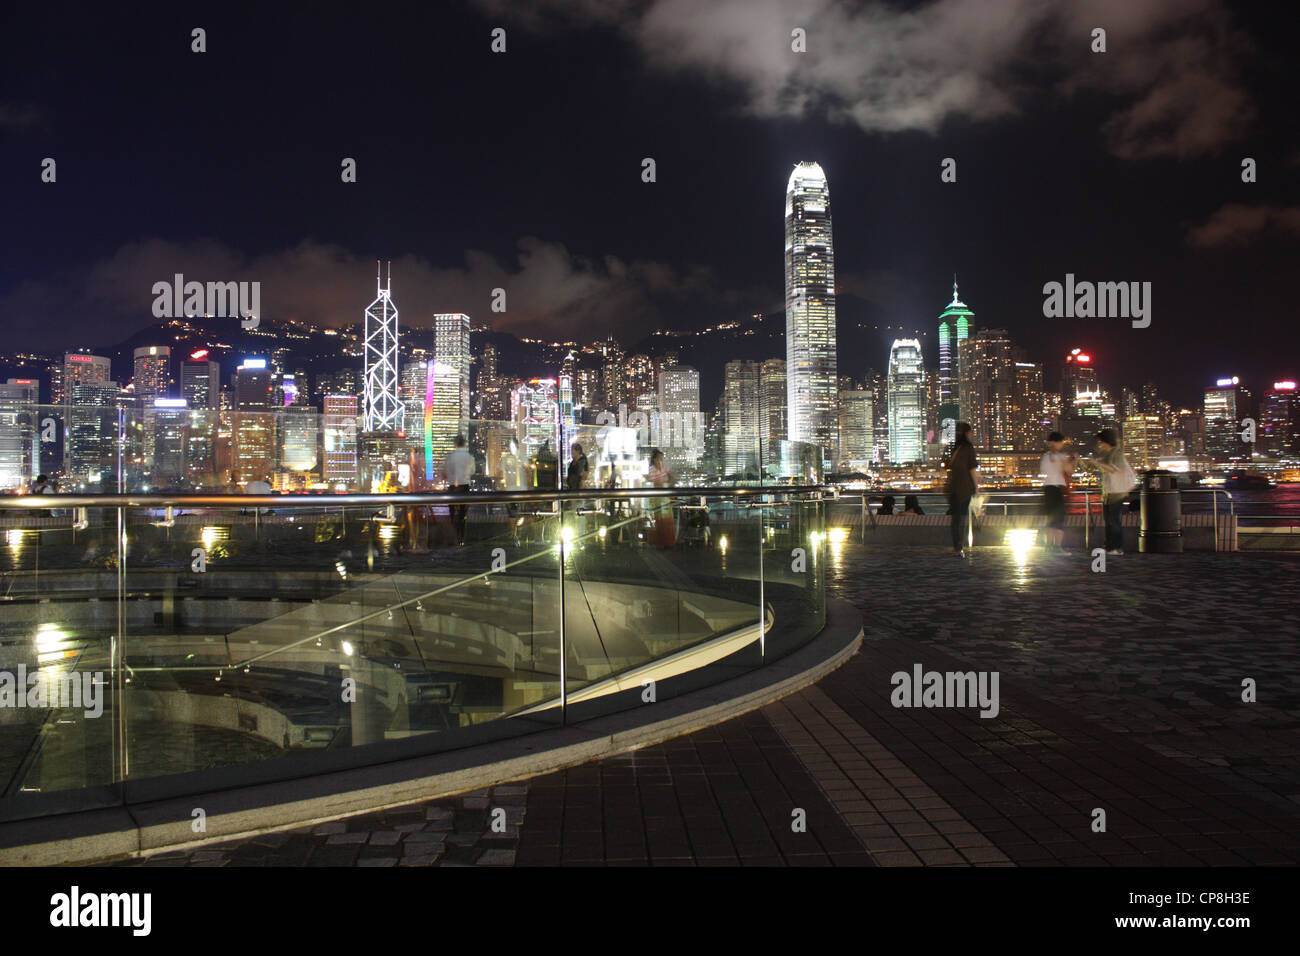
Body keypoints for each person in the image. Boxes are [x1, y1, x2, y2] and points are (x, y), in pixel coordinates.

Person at [1081, 428, 1135, 556]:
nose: (1100, 445)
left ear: (1107, 441)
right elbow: (1089, 469)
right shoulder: (1104, 454)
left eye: (1101, 442)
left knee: (1114, 521)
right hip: (1107, 492)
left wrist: (1097, 463)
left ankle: (1117, 547)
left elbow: (1115, 469)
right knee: (1108, 521)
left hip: (1117, 491)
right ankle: (1109, 546)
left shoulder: (1117, 453)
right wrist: (1080, 461)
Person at [943, 422, 979, 557]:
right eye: (970, 432)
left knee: (955, 519)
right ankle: (959, 546)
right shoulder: (968, 448)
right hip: (964, 488)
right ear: (966, 433)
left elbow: (945, 465)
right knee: (962, 518)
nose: (972, 435)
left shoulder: (952, 448)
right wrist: (977, 487)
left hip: (952, 488)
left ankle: (956, 546)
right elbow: (972, 469)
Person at [1039, 432, 1075, 553]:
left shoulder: (1045, 456)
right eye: (1061, 442)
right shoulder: (1060, 456)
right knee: (1059, 518)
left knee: (1051, 519)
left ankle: (1048, 547)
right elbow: (1069, 471)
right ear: (1055, 442)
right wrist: (1072, 461)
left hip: (1048, 489)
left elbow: (1043, 470)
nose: (1062, 445)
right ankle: (1057, 547)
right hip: (1056, 489)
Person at [442, 435, 475, 545]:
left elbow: (445, 472)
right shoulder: (469, 457)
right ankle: (462, 537)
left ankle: (453, 535)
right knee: (462, 513)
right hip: (465, 486)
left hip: (452, 487)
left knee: (452, 512)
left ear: (455, 444)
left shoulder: (450, 457)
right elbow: (472, 471)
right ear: (464, 444)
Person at [646, 448, 675, 548]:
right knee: (658, 520)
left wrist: (669, 482)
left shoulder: (664, 468)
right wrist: (663, 484)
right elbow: (652, 484)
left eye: (662, 458)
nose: (661, 460)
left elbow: (672, 477)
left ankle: (668, 542)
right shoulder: (651, 470)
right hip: (656, 499)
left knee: (668, 520)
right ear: (654, 459)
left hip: (665, 498)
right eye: (660, 458)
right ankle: (659, 542)